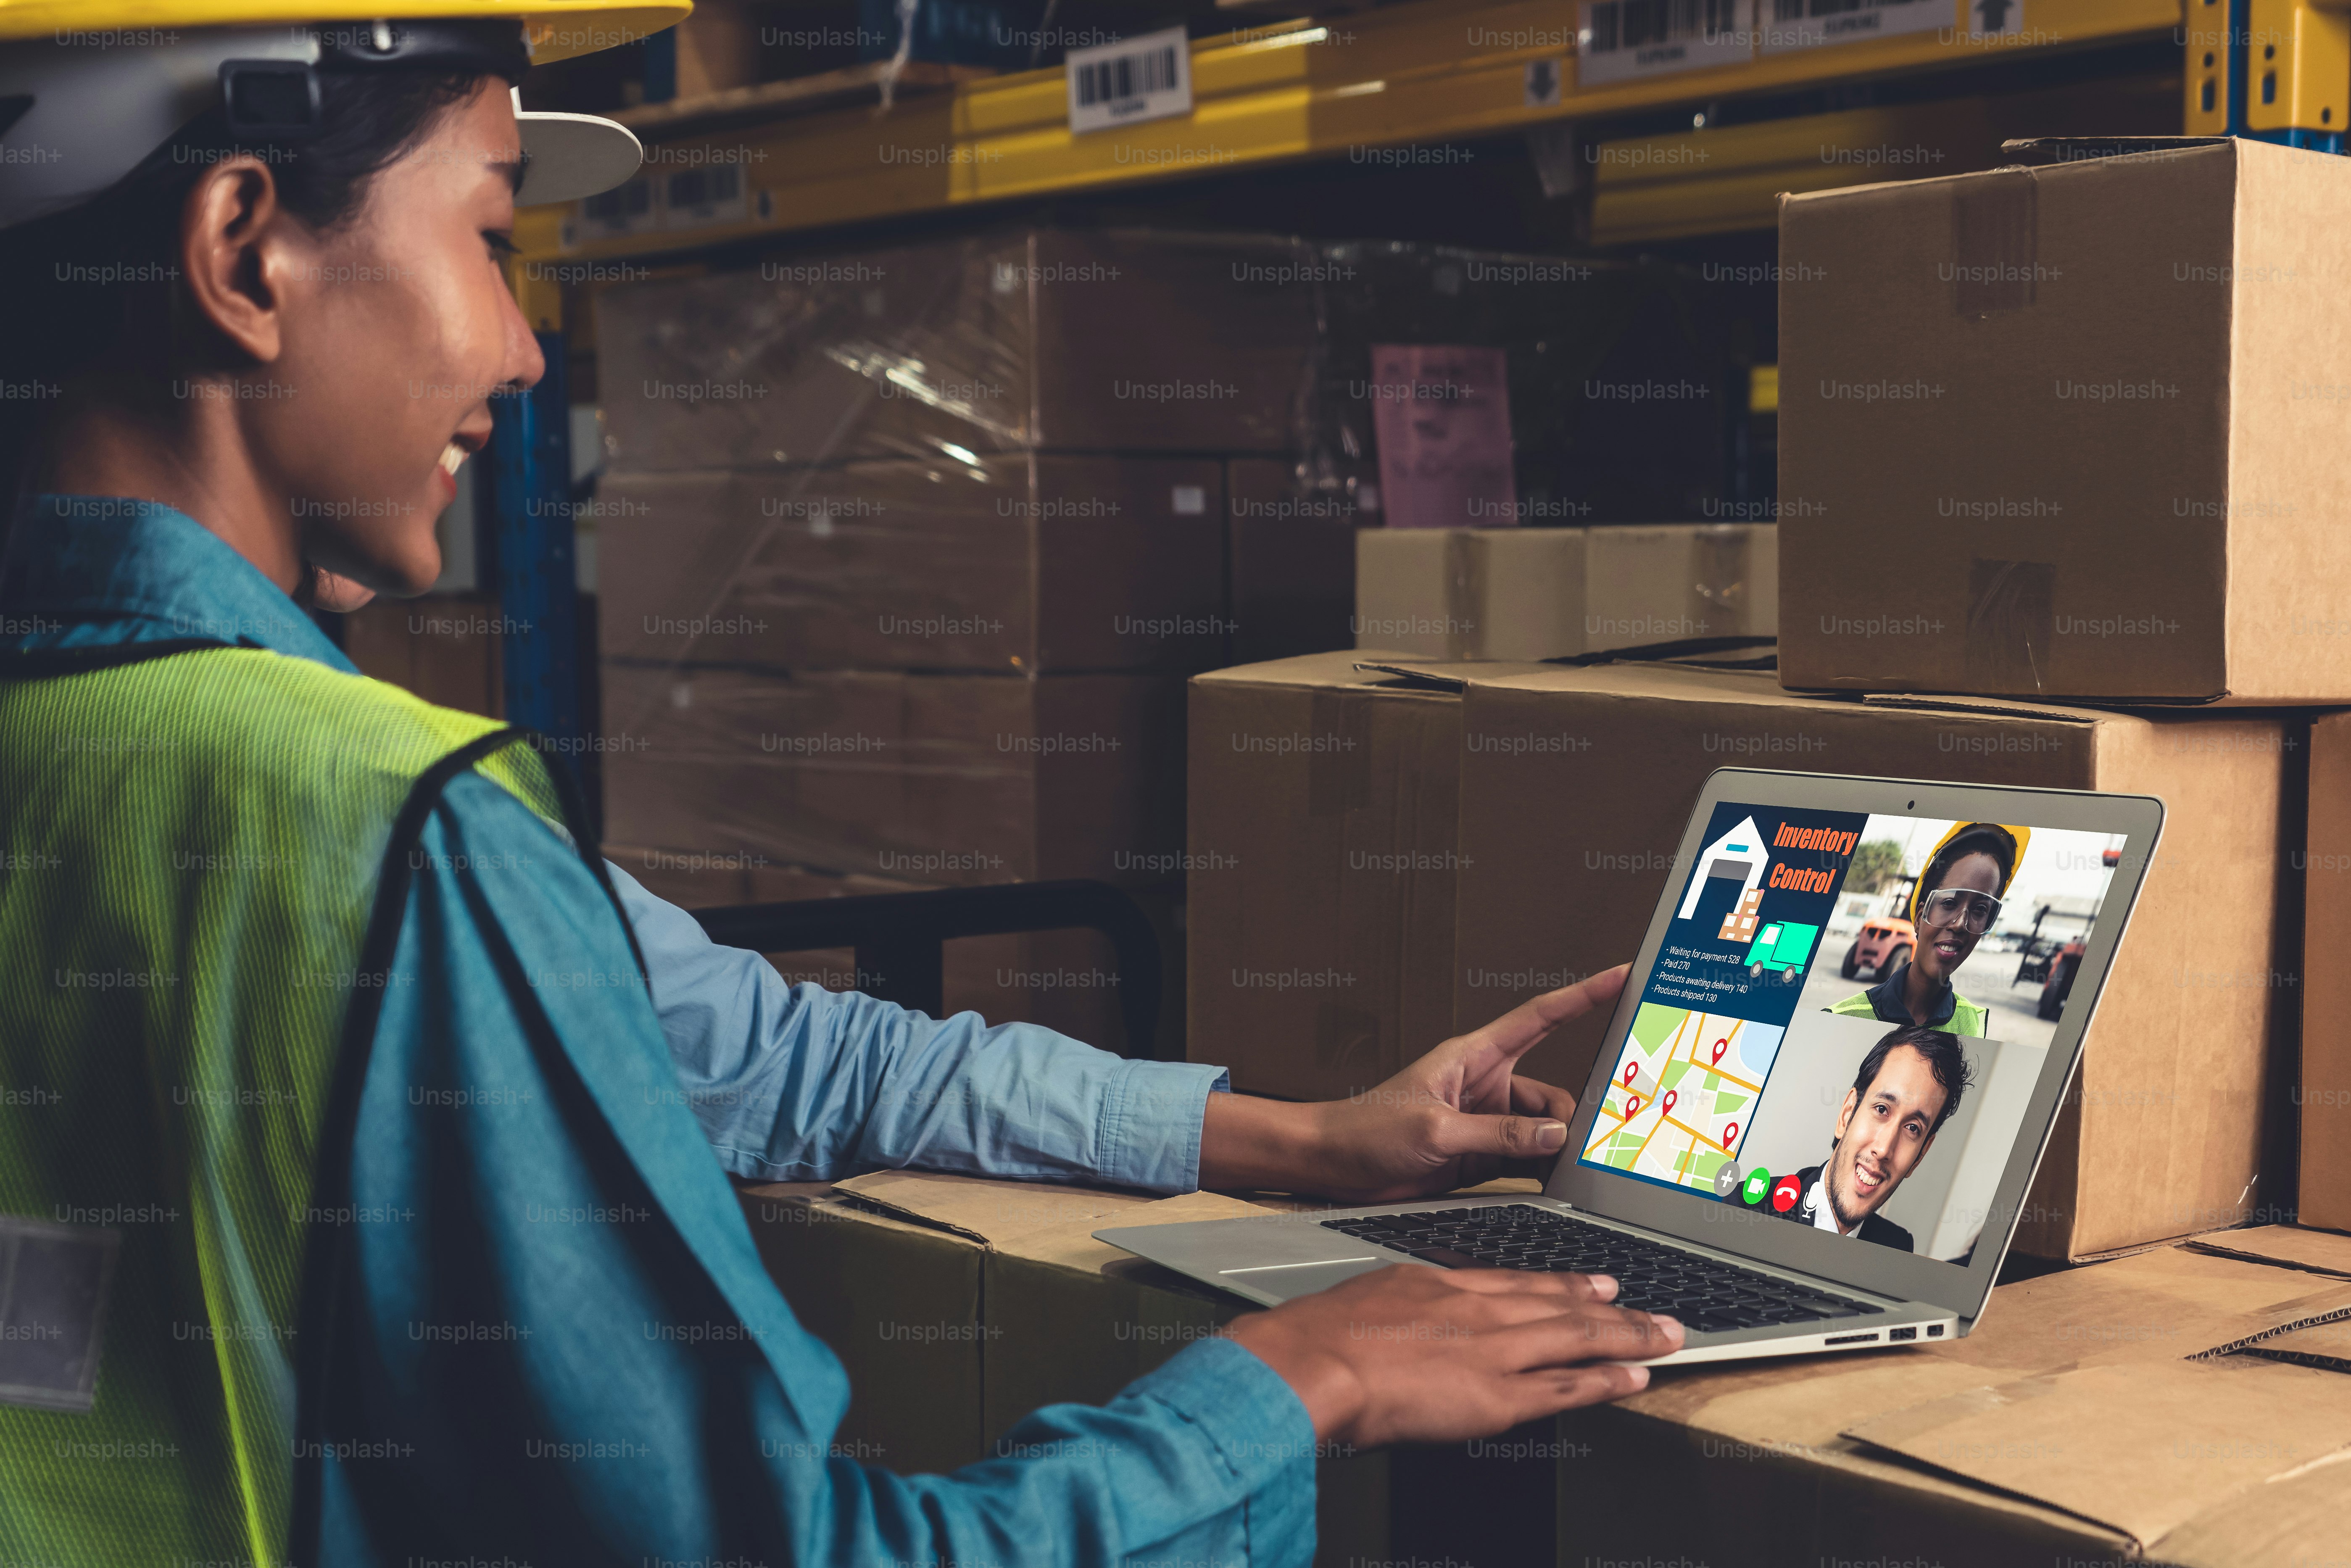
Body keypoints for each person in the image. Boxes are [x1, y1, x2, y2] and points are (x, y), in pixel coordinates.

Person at [0, 13, 1681, 1567]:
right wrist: (1291, 1379)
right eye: (495, 240)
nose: (522, 350)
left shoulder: (194, 771)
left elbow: (758, 1046)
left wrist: (1304, 1138)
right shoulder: (392, 822)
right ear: (242, 250)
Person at [1769, 1025, 1974, 1252]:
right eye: (1881, 1109)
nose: (1885, 1149)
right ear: (1848, 1114)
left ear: (1920, 1156)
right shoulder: (1743, 1208)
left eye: (1913, 1128)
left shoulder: (1898, 1249)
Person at [1831, 822, 2028, 1038]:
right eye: (1949, 903)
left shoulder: (1975, 1024)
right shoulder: (1842, 1018)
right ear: (1919, 918)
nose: (1960, 924)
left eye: (1980, 909)